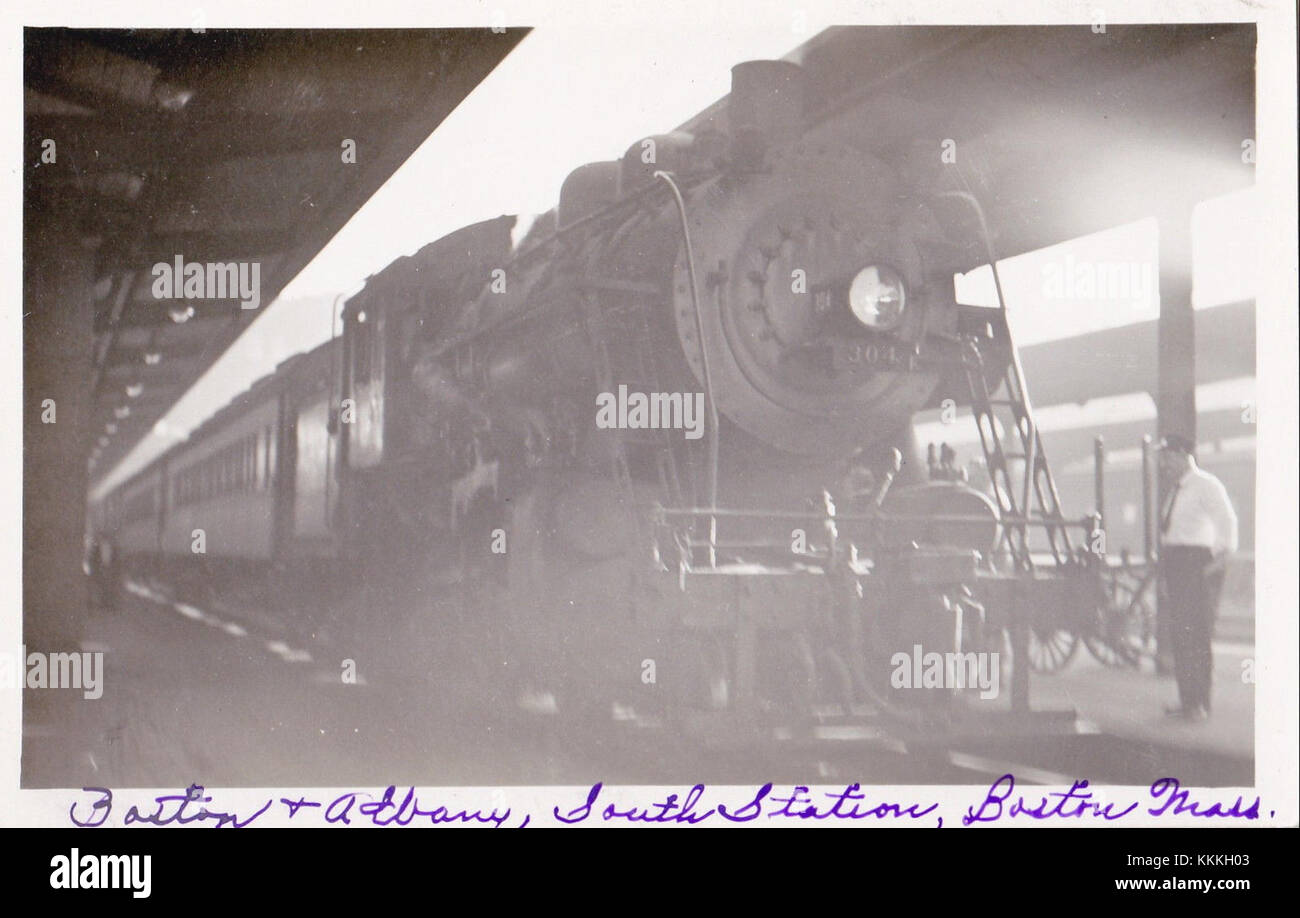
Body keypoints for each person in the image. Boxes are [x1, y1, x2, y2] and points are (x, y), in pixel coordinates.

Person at [1157, 433, 1238, 721]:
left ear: (1181, 455)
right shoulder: (1177, 488)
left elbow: (1228, 527)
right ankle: (1187, 700)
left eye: (1166, 456)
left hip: (1195, 565)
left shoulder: (1206, 485)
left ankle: (1200, 704)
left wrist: (1209, 568)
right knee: (1181, 635)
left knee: (1197, 636)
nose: (1163, 462)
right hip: (1178, 565)